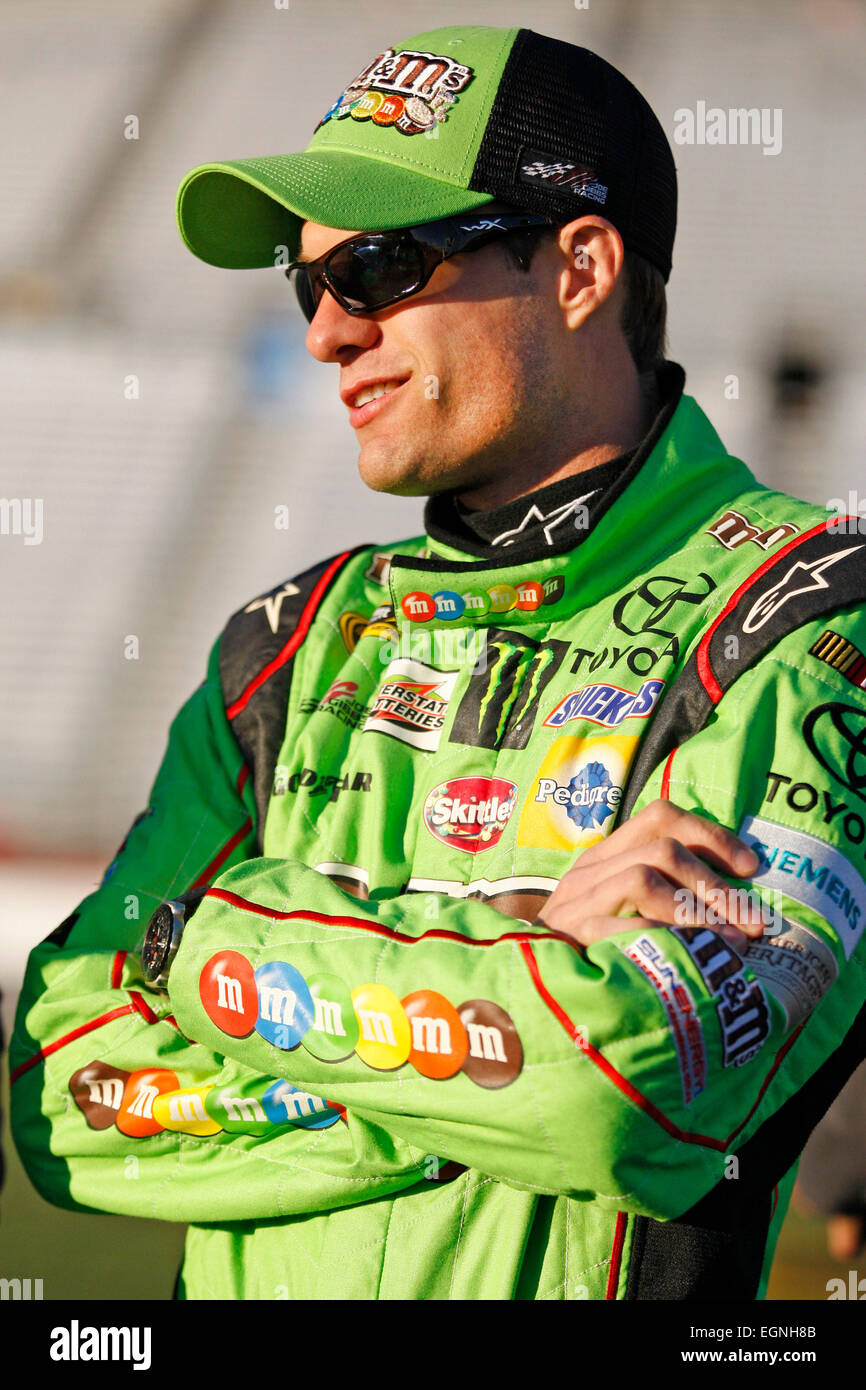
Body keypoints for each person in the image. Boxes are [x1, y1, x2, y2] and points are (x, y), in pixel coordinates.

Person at [11, 23, 866, 1302]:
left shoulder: (804, 613)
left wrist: (197, 943)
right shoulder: (283, 646)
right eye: (307, 286)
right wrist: (511, 975)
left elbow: (617, 1091)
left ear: (578, 268)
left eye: (377, 266)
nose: (326, 334)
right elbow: (64, 1090)